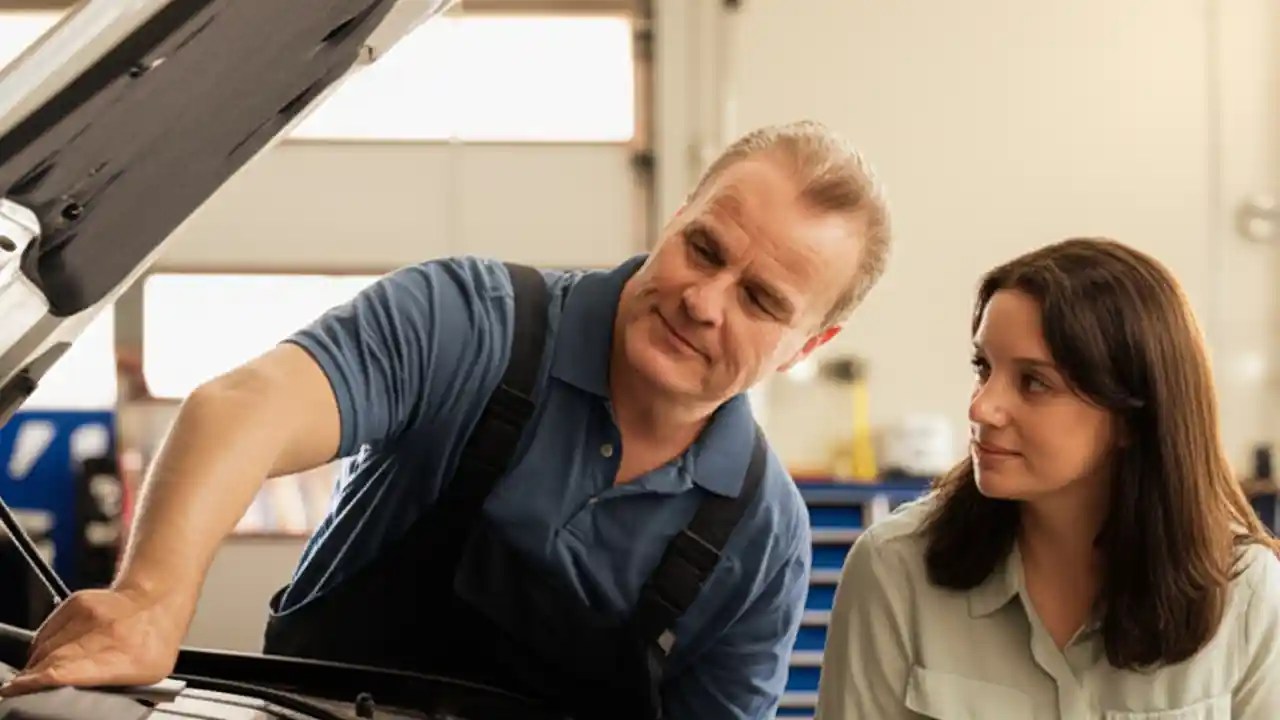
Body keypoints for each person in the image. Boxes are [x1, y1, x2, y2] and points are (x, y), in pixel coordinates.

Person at [0, 120, 893, 719]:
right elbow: (247, 409)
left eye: (761, 300)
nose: (703, 300)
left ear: (811, 344)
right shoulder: (471, 318)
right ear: (677, 214)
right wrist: (151, 603)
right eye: (703, 246)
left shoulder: (762, 537)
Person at [815, 238, 1280, 719]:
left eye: (1034, 382)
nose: (981, 407)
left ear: (1130, 416)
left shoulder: (1245, 593)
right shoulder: (894, 571)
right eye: (983, 368)